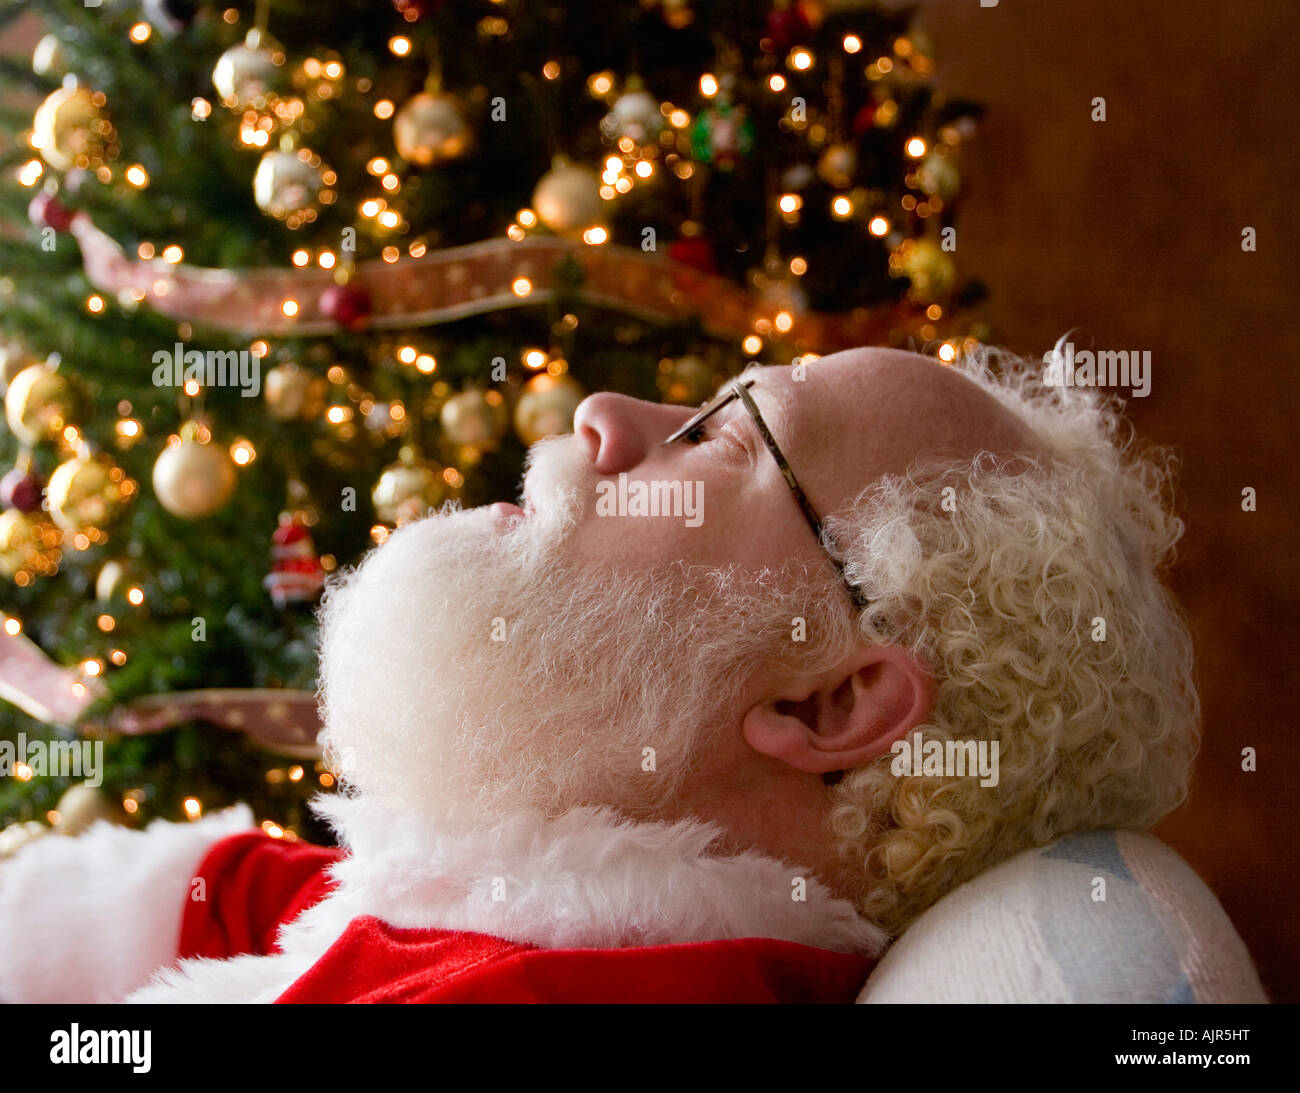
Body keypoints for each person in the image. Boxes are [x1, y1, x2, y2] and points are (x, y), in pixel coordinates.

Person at [0, 345, 1199, 1003]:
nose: (606, 418)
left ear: (828, 700)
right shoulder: (547, 931)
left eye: (724, 437)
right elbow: (269, 902)